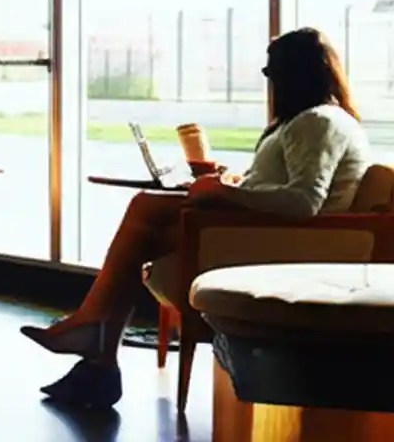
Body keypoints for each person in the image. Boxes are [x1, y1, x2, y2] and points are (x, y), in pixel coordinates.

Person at [21, 27, 371, 407]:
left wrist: (223, 191)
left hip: (284, 242)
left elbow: (303, 201)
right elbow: (285, 185)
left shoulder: (317, 121)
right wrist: (232, 179)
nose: (270, 84)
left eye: (273, 73)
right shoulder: (312, 121)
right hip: (270, 230)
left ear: (294, 74)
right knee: (149, 217)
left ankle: (95, 341)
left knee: (146, 210)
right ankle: (96, 354)